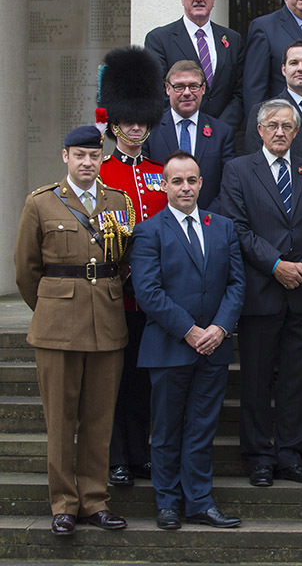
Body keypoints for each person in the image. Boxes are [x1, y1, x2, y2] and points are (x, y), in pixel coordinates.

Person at [15, 125, 133, 536]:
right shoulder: (41, 203)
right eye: (79, 156)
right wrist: (51, 308)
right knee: (61, 422)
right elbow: (26, 271)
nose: (87, 163)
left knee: (100, 420)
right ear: (65, 157)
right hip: (57, 327)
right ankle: (64, 504)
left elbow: (123, 263)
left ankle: (95, 502)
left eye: (94, 156)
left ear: (102, 159)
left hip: (106, 323)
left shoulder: (118, 202)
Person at [130, 151, 245, 530]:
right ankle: (167, 502)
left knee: (202, 429)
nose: (185, 187)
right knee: (165, 430)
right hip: (169, 348)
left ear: (201, 183)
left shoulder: (223, 227)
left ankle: (199, 501)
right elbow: (148, 292)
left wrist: (219, 328)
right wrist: (190, 331)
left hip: (213, 348)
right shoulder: (149, 231)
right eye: (177, 181)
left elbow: (235, 284)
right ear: (163, 185)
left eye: (191, 180)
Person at [221, 99, 302, 488]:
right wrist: (275, 265)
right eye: (272, 125)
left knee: (299, 380)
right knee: (256, 379)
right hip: (261, 293)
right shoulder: (237, 170)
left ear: (297, 132)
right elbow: (237, 226)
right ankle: (258, 457)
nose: (280, 131)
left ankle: (290, 455)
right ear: (259, 131)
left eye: (287, 126)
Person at [96, 45, 168, 488]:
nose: (135, 127)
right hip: (115, 297)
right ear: (115, 123)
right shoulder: (102, 173)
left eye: (141, 120)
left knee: (145, 382)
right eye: (127, 121)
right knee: (115, 383)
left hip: (154, 299)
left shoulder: (161, 172)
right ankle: (117, 456)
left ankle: (140, 454)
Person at [144, 0, 245, 129]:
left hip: (222, 134)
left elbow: (238, 92)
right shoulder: (159, 39)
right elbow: (157, 90)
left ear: (214, 0)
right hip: (178, 132)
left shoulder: (232, 39)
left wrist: (220, 128)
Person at [143, 60, 235, 213]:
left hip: (208, 222)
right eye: (179, 87)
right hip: (162, 222)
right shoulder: (150, 131)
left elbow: (228, 185)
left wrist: (205, 218)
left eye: (193, 86)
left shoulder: (222, 133)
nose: (187, 93)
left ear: (203, 89)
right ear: (167, 89)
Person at [245, 40, 302, 162]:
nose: (300, 69)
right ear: (284, 70)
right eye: (294, 63)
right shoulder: (262, 111)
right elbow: (255, 162)